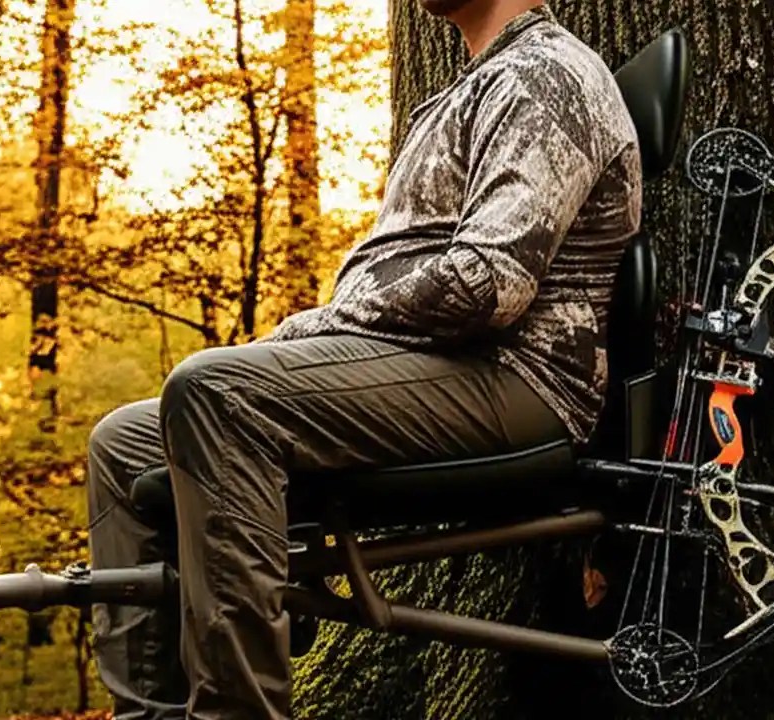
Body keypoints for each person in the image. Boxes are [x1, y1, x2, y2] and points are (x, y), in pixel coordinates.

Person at [85, 1, 642, 718]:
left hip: (516, 378)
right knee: (124, 444)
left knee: (216, 391)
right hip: (427, 361)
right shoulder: (475, 85)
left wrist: (322, 325)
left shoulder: (547, 76)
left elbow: (488, 284)